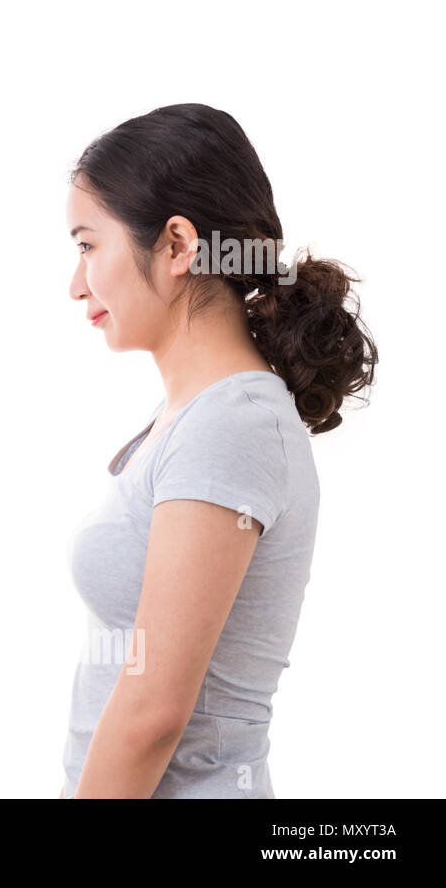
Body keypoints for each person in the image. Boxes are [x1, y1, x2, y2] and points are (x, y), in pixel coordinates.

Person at [59, 103, 377, 798]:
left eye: (87, 246)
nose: (76, 283)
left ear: (176, 245)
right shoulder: (197, 416)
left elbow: (152, 715)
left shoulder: (230, 424)